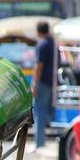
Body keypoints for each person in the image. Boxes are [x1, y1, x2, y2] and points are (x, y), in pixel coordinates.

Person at [30, 21, 55, 152]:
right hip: (51, 82)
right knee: (47, 111)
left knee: (39, 112)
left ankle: (39, 143)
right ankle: (44, 138)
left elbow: (38, 65)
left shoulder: (41, 45)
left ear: (38, 31)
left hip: (42, 83)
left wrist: (34, 83)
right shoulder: (52, 43)